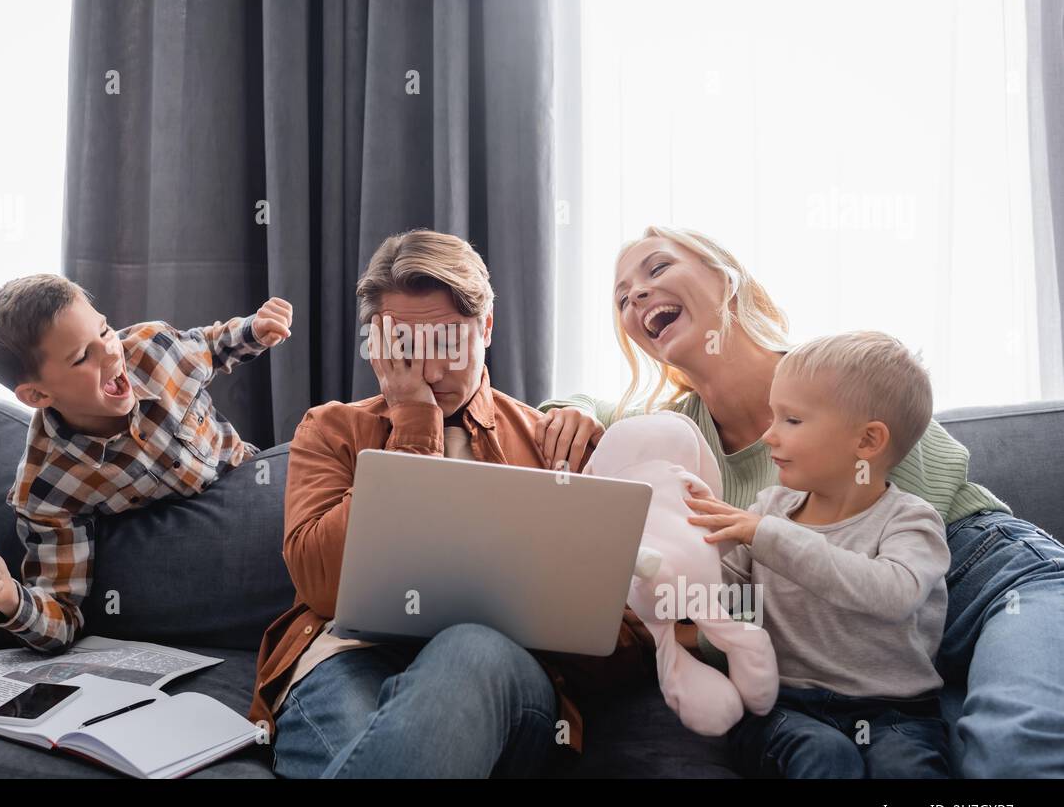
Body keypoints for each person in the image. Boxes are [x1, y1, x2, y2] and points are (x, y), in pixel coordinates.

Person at [538, 225, 1064, 777]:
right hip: (867, 648)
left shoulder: (827, 373)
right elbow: (590, 413)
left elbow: (917, 499)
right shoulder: (674, 436)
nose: (636, 296)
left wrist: (774, 559)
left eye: (658, 269)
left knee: (1014, 744)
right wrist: (573, 408)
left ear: (725, 278)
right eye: (621, 297)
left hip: (985, 575)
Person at [249, 228, 660, 778]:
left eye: (449, 344)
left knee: (468, 647)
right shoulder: (332, 429)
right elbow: (322, 584)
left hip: (493, 673)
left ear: (486, 327)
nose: (433, 373)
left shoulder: (549, 441)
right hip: (349, 658)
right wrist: (414, 427)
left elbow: (627, 644)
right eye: (409, 350)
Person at [0, 272, 291, 652]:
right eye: (82, 357)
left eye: (105, 330)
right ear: (36, 394)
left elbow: (210, 347)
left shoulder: (152, 349)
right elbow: (62, 619)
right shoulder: (48, 487)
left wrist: (254, 330)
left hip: (253, 484)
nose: (112, 352)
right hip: (195, 552)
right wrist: (9, 600)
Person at [685, 331, 950, 778]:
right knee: (824, 758)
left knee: (907, 771)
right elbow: (719, 593)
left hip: (898, 713)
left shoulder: (910, 521)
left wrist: (765, 536)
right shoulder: (768, 510)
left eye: (791, 420)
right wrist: (691, 542)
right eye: (773, 416)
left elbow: (892, 594)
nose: (768, 435)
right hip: (786, 704)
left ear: (866, 442)